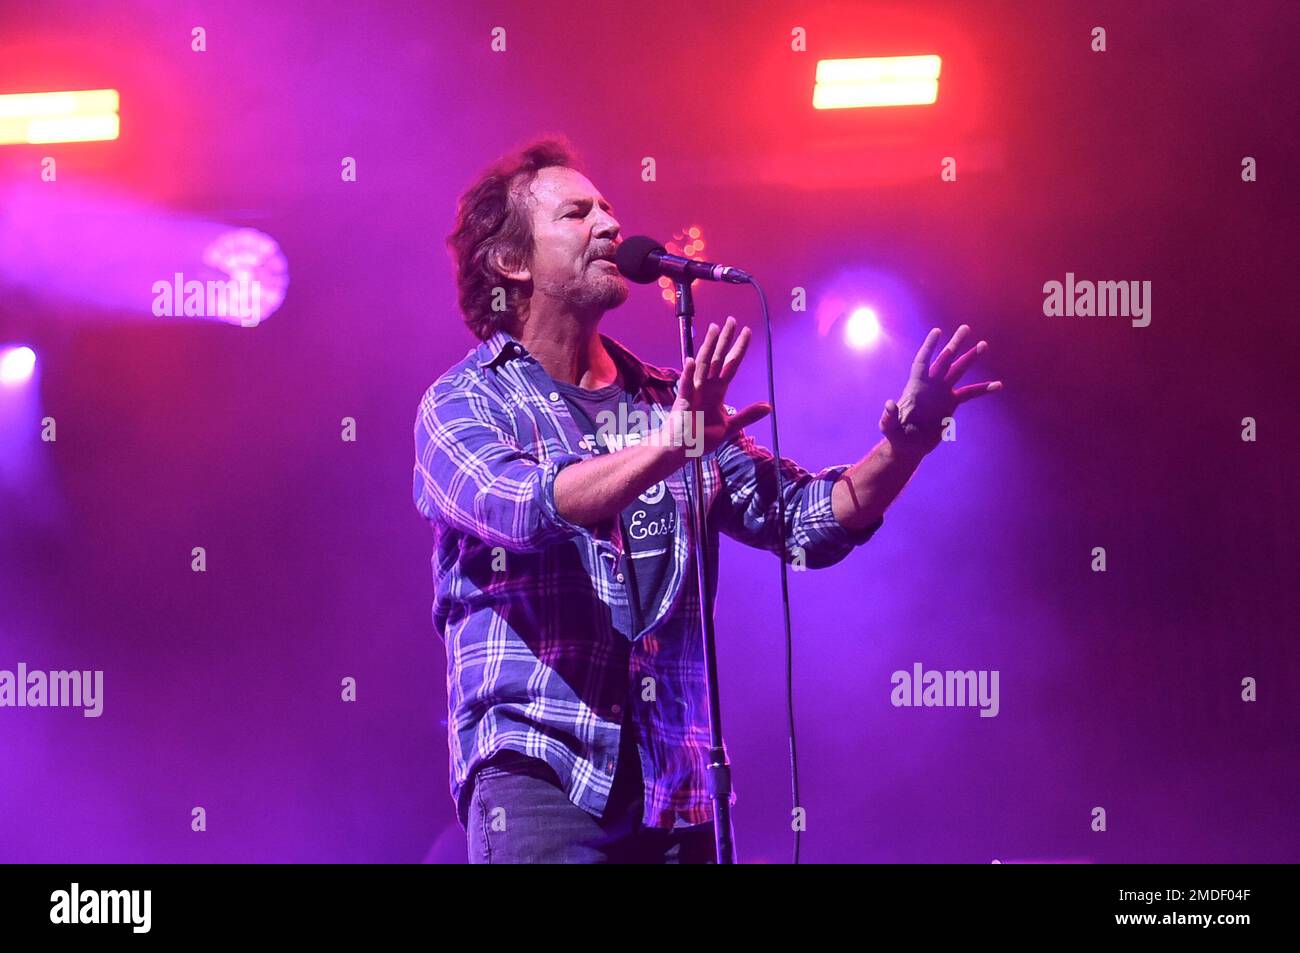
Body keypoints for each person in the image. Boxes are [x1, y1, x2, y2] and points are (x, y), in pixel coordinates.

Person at [412, 136, 1002, 863]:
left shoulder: (667, 401)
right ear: (511, 261)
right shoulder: (464, 400)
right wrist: (671, 447)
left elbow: (807, 522)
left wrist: (904, 447)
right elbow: (524, 509)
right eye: (576, 213)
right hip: (541, 774)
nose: (610, 225)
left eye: (607, 209)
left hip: (677, 785)